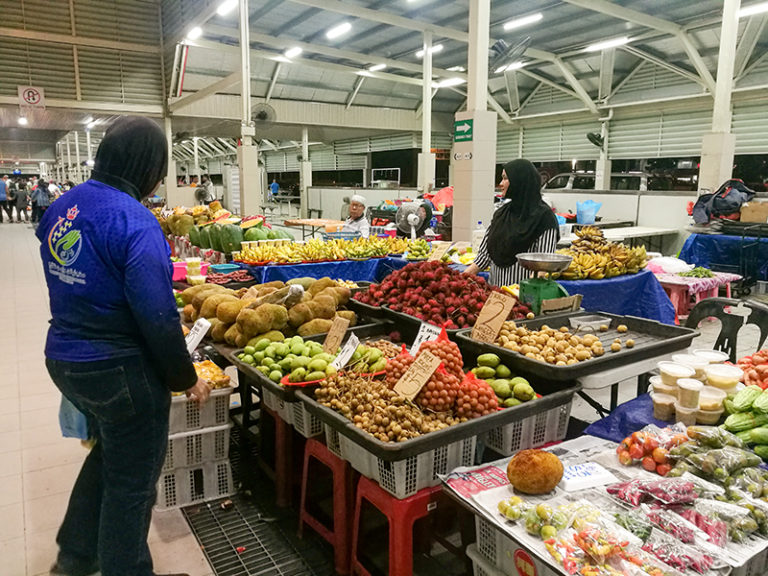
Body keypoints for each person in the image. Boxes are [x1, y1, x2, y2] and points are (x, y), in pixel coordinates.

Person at [37, 116, 210, 576]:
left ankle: (75, 557)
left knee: (110, 457)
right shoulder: (134, 219)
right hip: (120, 370)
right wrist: (185, 377)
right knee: (132, 487)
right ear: (146, 165)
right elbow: (157, 315)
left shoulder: (62, 206)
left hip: (65, 358)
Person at [464, 159, 559, 286]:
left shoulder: (544, 218)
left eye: (505, 178)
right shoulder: (501, 214)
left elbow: (542, 267)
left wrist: (521, 293)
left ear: (520, 181)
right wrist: (460, 279)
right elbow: (483, 257)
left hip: (523, 298)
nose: (500, 184)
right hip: (496, 296)